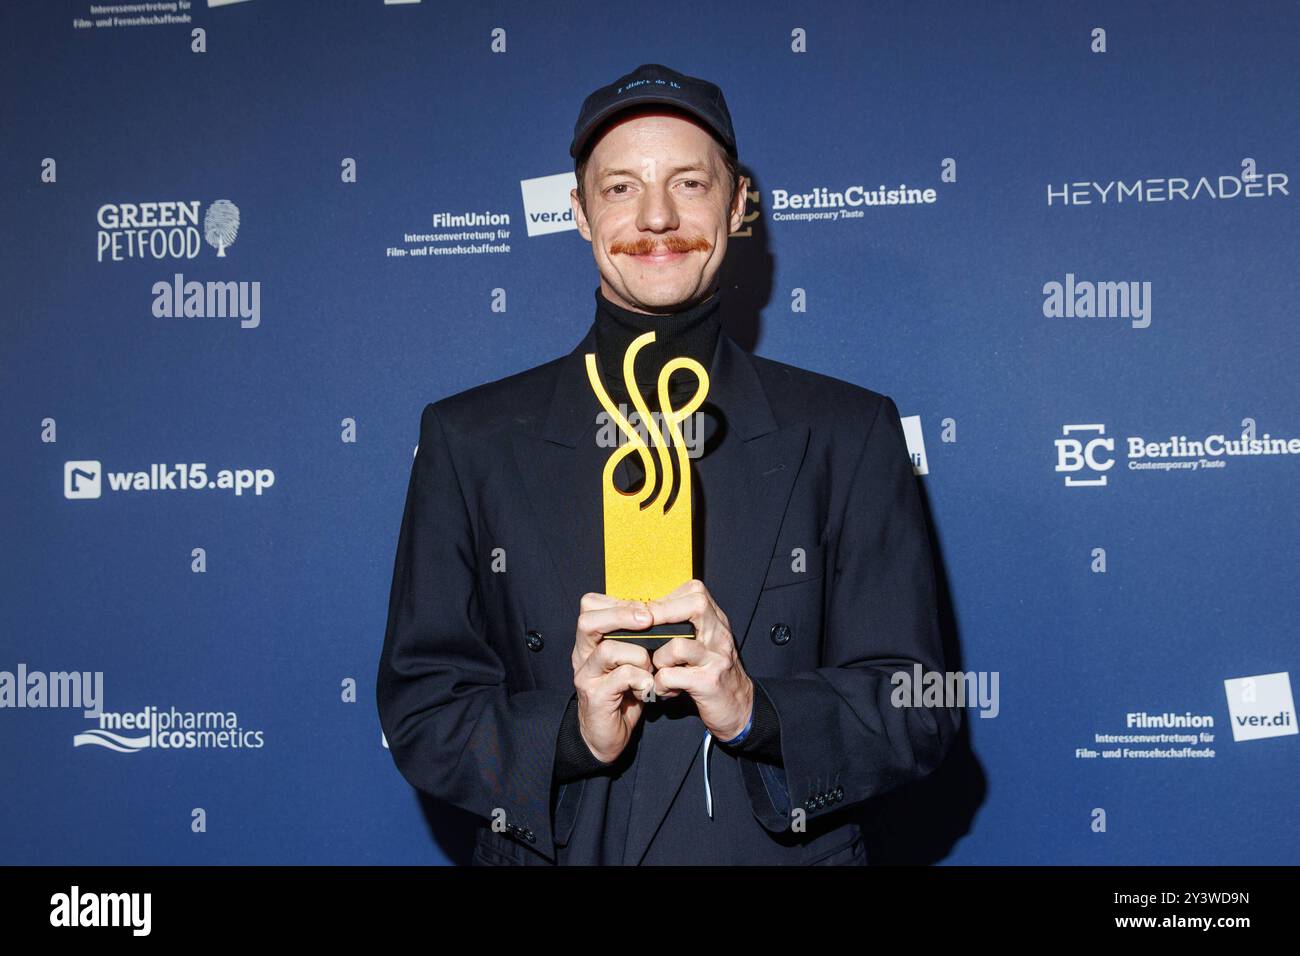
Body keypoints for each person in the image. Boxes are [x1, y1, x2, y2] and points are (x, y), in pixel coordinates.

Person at [377, 63, 960, 865]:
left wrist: (759, 710)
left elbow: (918, 707)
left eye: (689, 182)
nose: (657, 217)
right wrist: (570, 737)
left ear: (738, 204)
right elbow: (421, 714)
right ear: (578, 213)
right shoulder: (470, 439)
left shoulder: (847, 430)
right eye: (621, 189)